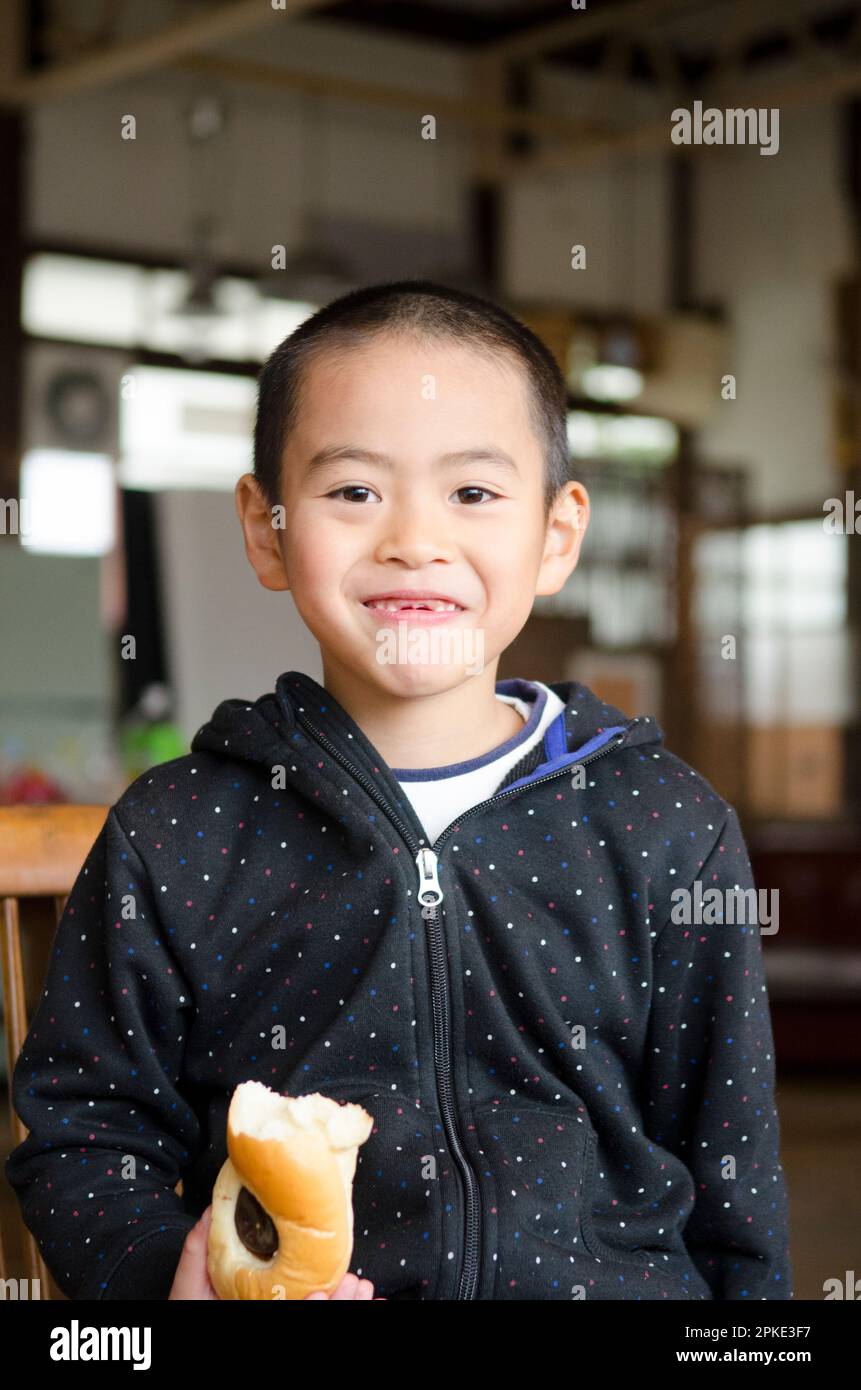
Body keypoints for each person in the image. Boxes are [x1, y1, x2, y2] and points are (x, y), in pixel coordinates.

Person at [5, 280, 792, 1301]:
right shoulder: (177, 831)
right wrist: (169, 1279)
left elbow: (734, 1173)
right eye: (353, 491)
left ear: (557, 536)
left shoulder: (666, 825)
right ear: (266, 528)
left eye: (473, 493)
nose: (414, 540)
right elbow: (84, 1136)